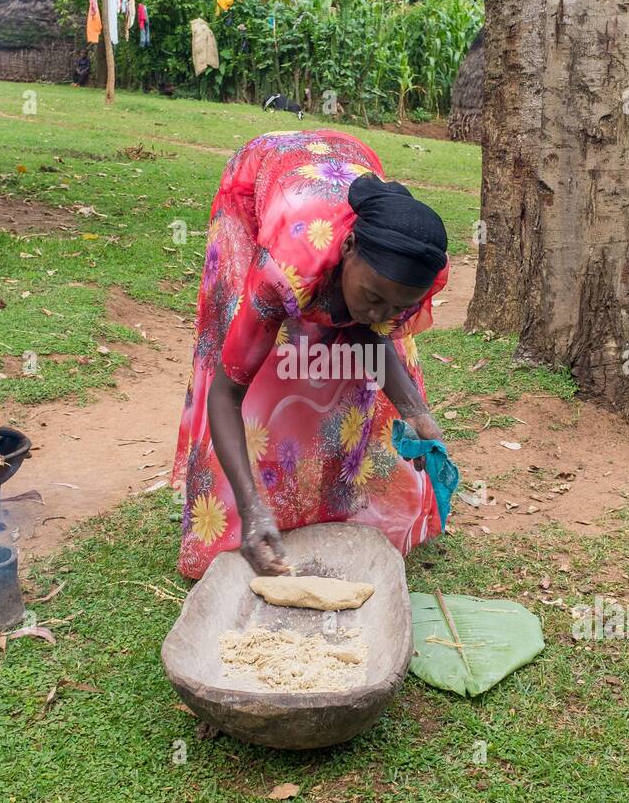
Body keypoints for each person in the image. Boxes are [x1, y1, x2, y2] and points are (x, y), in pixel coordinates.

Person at [172, 129, 449, 579]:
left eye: (398, 307)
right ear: (348, 247)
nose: (382, 313)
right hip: (266, 176)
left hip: (346, 160)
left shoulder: (417, 262)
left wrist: (417, 413)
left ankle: (339, 497)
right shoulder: (282, 269)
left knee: (350, 376)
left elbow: (368, 332)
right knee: (264, 358)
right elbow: (225, 395)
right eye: (373, 294)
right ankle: (257, 508)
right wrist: (250, 507)